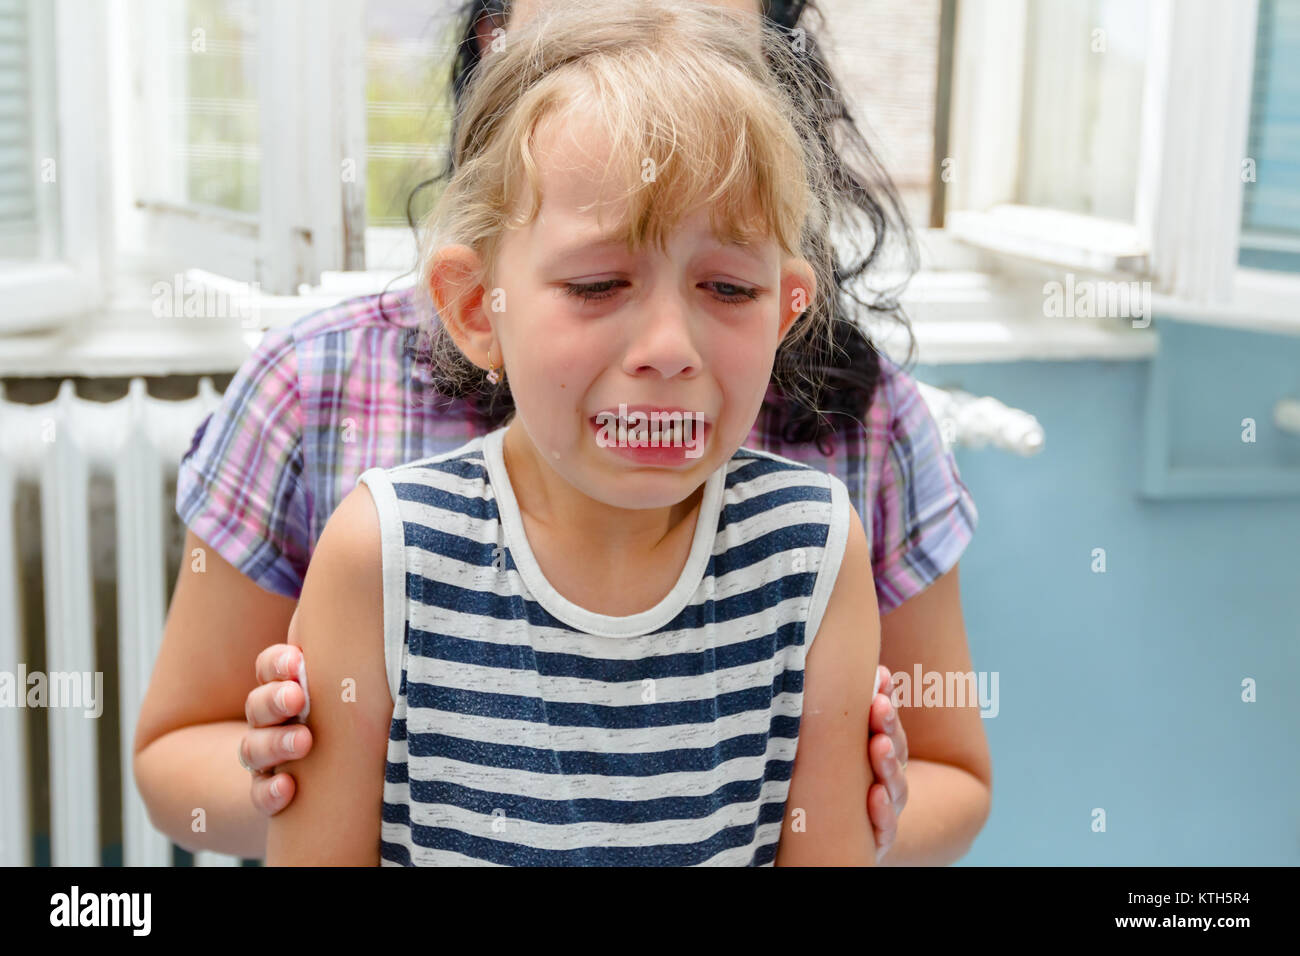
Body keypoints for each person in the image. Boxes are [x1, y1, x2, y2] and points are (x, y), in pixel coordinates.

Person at [134, 0, 991, 865]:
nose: (667, 349)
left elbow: (936, 786)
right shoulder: (373, 531)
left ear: (784, 310)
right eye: (596, 285)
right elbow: (189, 767)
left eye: (730, 289)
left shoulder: (815, 544)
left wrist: (831, 799)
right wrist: (313, 775)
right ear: (474, 307)